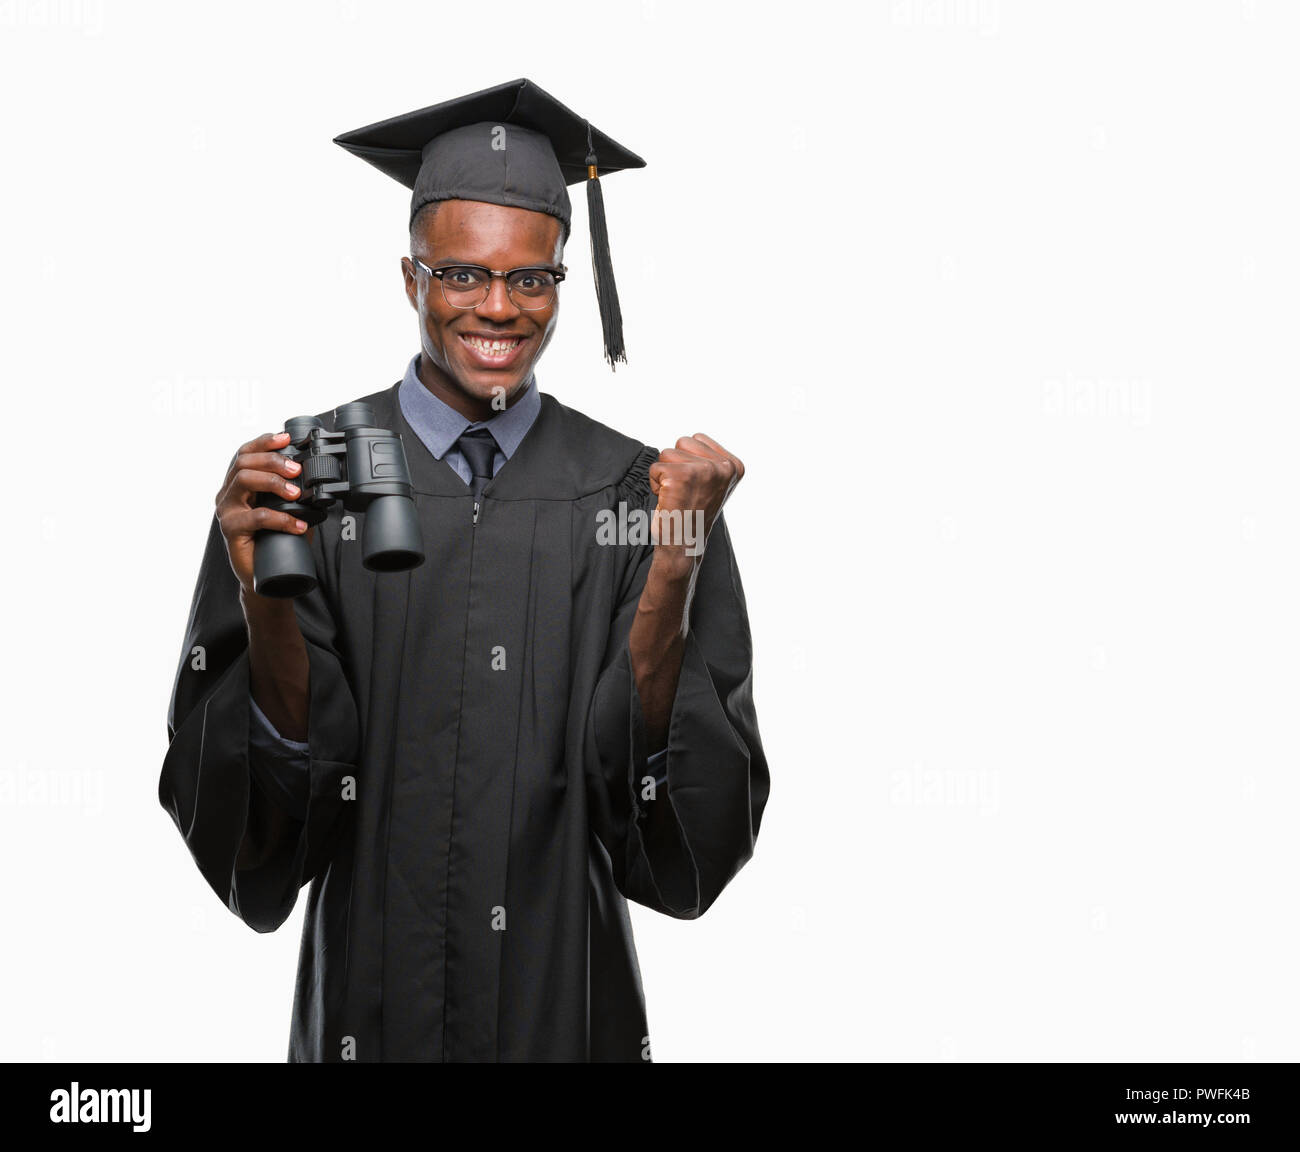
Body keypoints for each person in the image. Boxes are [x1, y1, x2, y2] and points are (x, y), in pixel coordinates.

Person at [158, 77, 769, 1062]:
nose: (500, 307)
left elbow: (678, 857)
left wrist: (668, 576)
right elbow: (263, 849)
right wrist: (264, 602)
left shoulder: (637, 493)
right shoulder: (302, 475)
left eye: (532, 278)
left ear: (561, 278)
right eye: (462, 274)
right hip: (366, 1011)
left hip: (567, 1015)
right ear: (411, 278)